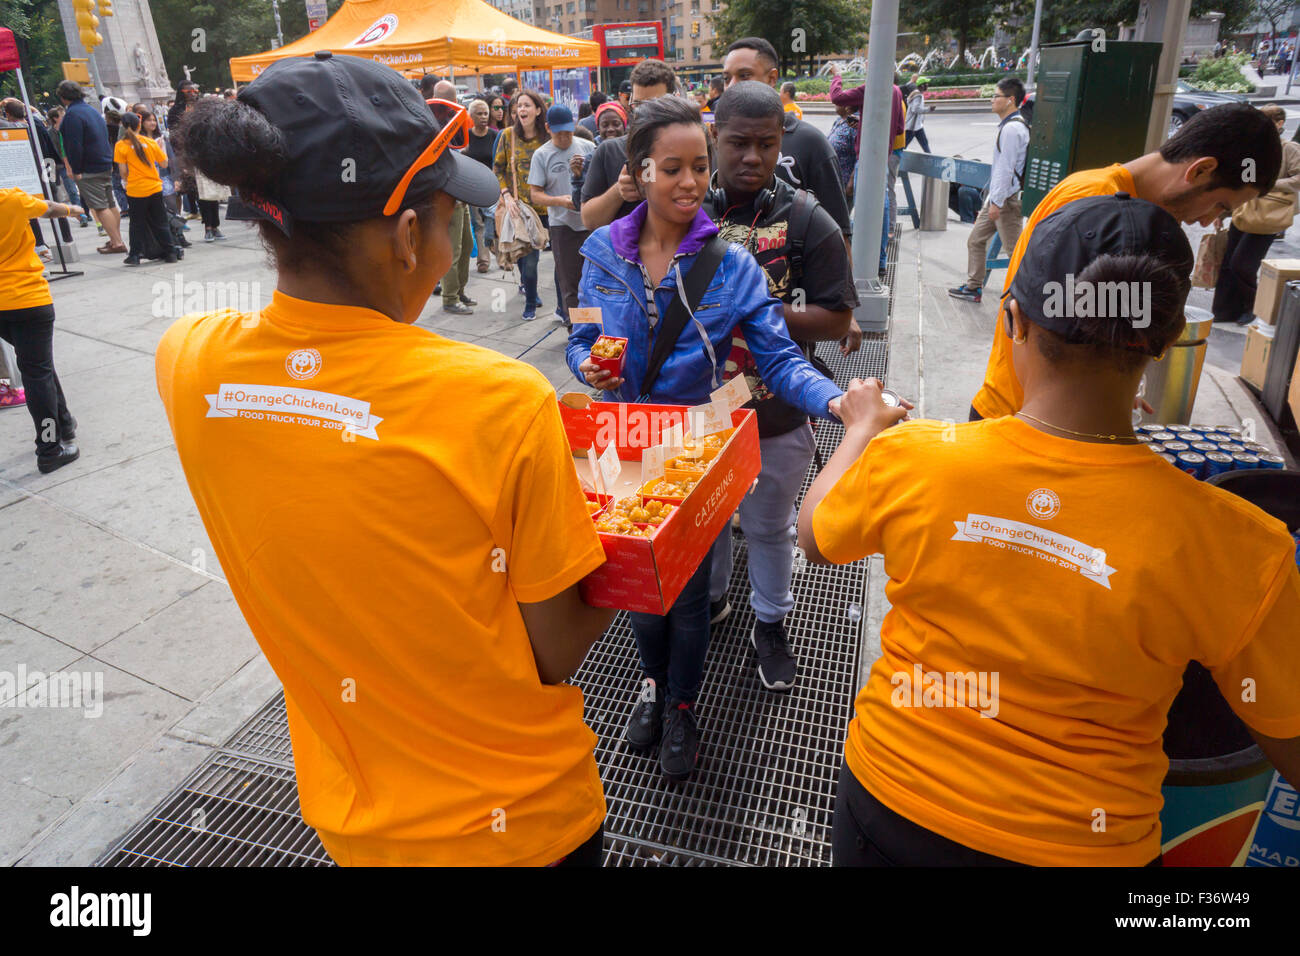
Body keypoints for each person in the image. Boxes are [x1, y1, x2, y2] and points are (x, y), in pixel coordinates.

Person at [156, 52, 617, 867]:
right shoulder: (498, 401)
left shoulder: (189, 362)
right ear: (408, 236)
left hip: (353, 824)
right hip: (521, 824)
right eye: (450, 220)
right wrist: (634, 547)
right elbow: (556, 650)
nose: (451, 240)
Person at [800, 194, 1300, 866]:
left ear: (1012, 321)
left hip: (890, 806)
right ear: (1166, 335)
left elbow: (814, 536)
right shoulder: (1240, 544)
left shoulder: (914, 456)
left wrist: (861, 428)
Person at [567, 95, 844, 782]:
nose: (690, 183)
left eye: (697, 166)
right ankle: (652, 687)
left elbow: (779, 360)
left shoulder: (733, 267)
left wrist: (838, 400)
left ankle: (684, 706)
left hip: (696, 442)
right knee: (637, 587)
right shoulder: (601, 251)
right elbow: (579, 333)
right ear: (640, 170)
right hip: (622, 444)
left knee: (688, 596)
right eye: (672, 168)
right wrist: (588, 360)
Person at [970, 103, 1282, 421]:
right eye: (1219, 206)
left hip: (1052, 416)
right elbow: (1053, 326)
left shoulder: (1122, 207)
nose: (1206, 222)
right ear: (1200, 170)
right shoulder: (1093, 202)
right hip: (1023, 417)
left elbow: (1092, 333)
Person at [703, 82, 858, 689]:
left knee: (770, 528)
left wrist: (755, 313)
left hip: (779, 417)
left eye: (765, 145)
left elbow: (839, 316)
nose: (752, 157)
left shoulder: (807, 218)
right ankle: (710, 603)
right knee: (707, 524)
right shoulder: (688, 212)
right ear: (716, 139)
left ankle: (770, 622)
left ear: (779, 142)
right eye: (738, 143)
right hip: (700, 417)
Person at [725, 39, 851, 238]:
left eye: (744, 75)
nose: (731, 86)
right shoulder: (715, 144)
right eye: (726, 78)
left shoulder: (812, 143)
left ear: (772, 78)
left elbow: (839, 235)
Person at [0, 187, 82, 472]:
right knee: (37, 372)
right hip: (26, 300)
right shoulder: (10, 199)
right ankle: (49, 447)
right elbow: (48, 208)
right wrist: (73, 209)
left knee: (38, 367)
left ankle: (64, 422)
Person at [1212, 104, 1300, 325]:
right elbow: (1244, 184)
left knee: (1243, 263)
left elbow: (1298, 179)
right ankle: (1224, 310)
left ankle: (1251, 305)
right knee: (1229, 262)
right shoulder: (1253, 152)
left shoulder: (1289, 149)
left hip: (1269, 216)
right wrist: (1223, 212)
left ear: (1280, 124)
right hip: (1244, 211)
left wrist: (1268, 185)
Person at [949, 76, 1029, 304]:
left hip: (1006, 202)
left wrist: (997, 203)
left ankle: (1025, 297)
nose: (992, 100)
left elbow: (1007, 168)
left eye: (996, 96)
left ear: (1010, 100)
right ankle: (974, 288)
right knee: (975, 241)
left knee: (1016, 252)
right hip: (997, 199)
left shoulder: (1013, 129)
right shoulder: (1008, 126)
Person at [580, 59, 678, 231]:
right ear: (630, 101)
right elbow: (589, 221)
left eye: (656, 105)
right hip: (623, 254)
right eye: (639, 105)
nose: (647, 112)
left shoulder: (690, 148)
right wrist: (619, 190)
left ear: (673, 100)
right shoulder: (609, 150)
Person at [528, 105, 593, 328]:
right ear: (548, 128)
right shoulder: (542, 155)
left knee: (591, 280)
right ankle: (577, 329)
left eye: (568, 131)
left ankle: (592, 326)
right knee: (570, 282)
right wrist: (560, 200)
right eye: (559, 133)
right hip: (562, 225)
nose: (565, 137)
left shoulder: (588, 147)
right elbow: (535, 194)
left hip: (589, 222)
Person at [494, 88, 550, 320]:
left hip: (547, 207)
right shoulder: (508, 135)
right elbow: (498, 168)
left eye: (527, 105)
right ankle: (530, 299)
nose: (522, 109)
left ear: (538, 110)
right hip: (521, 207)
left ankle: (533, 290)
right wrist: (506, 195)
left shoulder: (548, 135)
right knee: (528, 259)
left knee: (550, 258)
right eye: (519, 105)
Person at [827, 61, 902, 231]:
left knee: (864, 212)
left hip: (866, 158)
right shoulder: (896, 91)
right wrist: (864, 123)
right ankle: (880, 255)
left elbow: (837, 97)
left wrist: (837, 75)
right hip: (882, 155)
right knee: (880, 205)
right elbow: (898, 128)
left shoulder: (872, 88)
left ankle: (864, 252)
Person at [55, 80, 126, 254]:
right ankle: (116, 238)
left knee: (100, 206)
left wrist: (76, 169)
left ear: (63, 97)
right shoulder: (92, 111)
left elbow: (74, 145)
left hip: (88, 166)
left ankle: (116, 242)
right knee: (110, 204)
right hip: (104, 161)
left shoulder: (72, 115)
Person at [432, 80, 476, 315]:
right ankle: (450, 297)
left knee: (466, 245)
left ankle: (458, 291)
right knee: (454, 249)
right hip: (448, 193)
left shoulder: (453, 119)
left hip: (460, 189)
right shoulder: (431, 122)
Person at [114, 111, 175, 266]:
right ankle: (170, 252)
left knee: (136, 224)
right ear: (139, 125)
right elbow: (164, 164)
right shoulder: (150, 142)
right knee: (161, 222)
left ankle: (134, 255)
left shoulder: (121, 145)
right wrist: (162, 149)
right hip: (154, 187)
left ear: (122, 125)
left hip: (135, 190)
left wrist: (128, 181)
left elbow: (123, 172)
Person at [463, 97, 497, 273]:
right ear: (472, 116)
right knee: (479, 223)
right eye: (479, 114)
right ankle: (483, 261)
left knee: (493, 220)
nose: (483, 117)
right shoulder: (466, 136)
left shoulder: (494, 135)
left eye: (486, 113)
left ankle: (498, 252)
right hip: (473, 186)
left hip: (492, 185)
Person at [44, 107, 91, 227]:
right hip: (59, 164)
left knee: (78, 189)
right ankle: (79, 214)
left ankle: (83, 213)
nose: (64, 117)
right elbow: (55, 150)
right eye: (62, 115)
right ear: (56, 118)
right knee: (67, 190)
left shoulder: (67, 130)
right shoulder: (50, 133)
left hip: (71, 162)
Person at [904, 79, 930, 152]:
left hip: (916, 126)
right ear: (921, 85)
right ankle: (894, 160)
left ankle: (929, 159)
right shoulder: (918, 96)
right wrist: (928, 109)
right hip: (913, 126)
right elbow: (915, 109)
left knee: (925, 144)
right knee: (904, 146)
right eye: (926, 84)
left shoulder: (917, 93)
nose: (927, 85)